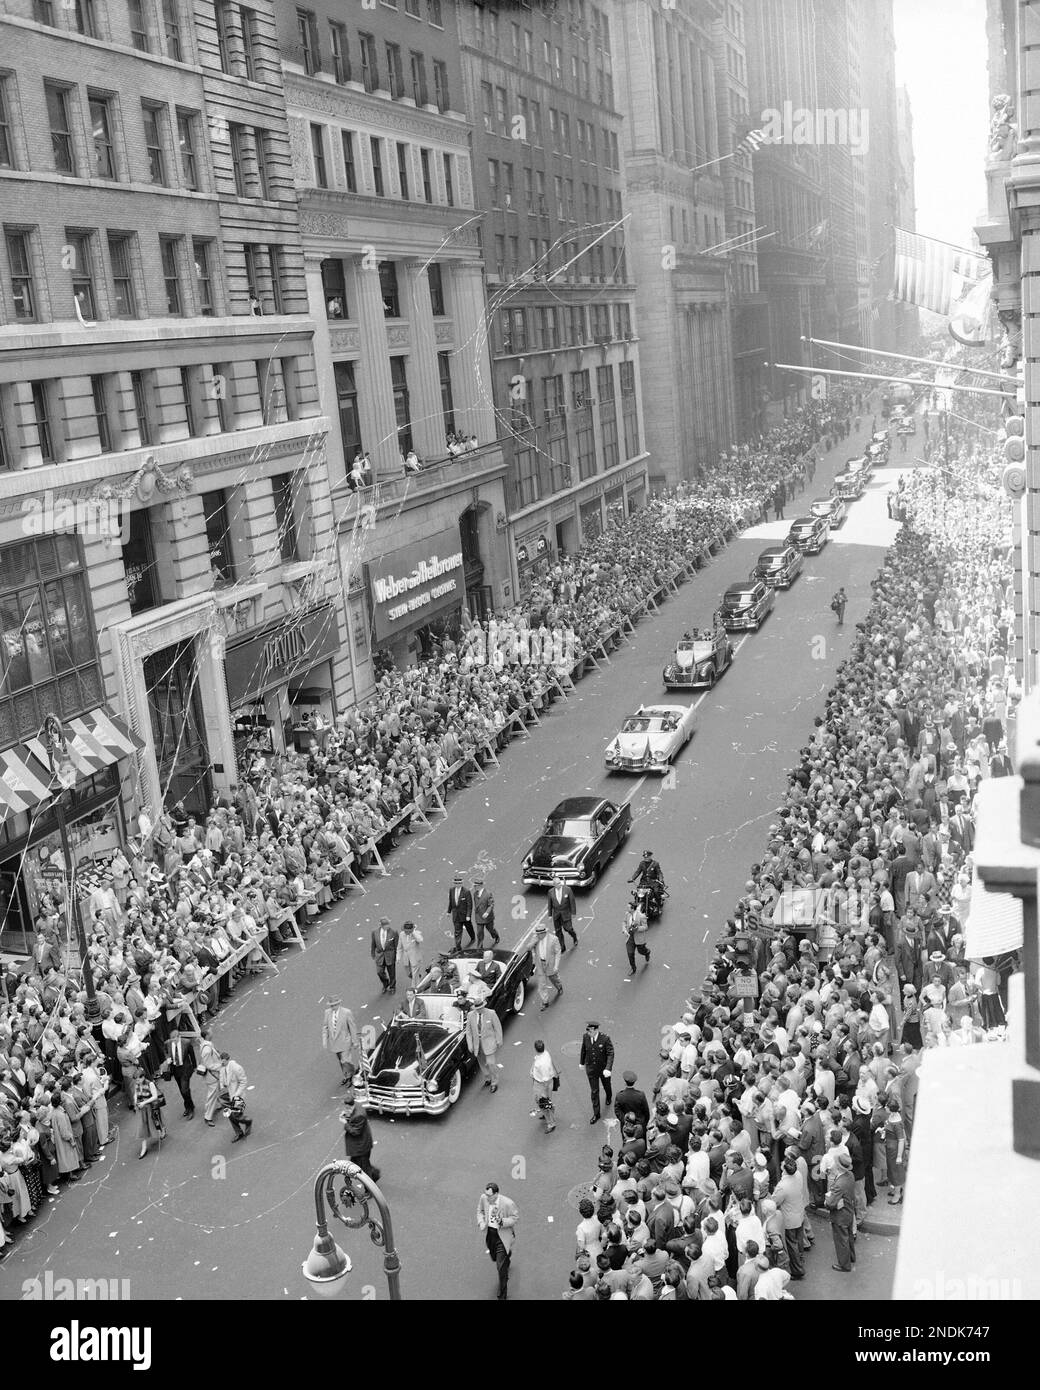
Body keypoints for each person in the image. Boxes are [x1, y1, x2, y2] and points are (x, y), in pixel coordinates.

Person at [476, 1181, 518, 1300]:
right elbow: (480, 1211)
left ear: (496, 1194)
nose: (487, 1197)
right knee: (495, 1257)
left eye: (490, 1195)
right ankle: (507, 1255)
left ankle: (502, 1296)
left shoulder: (508, 1203)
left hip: (502, 1237)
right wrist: (481, 1222)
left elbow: (515, 1218)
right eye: (486, 1194)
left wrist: (502, 1222)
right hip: (491, 1235)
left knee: (501, 1269)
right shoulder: (483, 1198)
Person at [825, 1150, 857, 1271]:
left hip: (840, 1215)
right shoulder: (850, 1175)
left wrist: (826, 1200)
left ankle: (844, 1265)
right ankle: (851, 1257)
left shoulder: (839, 1183)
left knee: (841, 1240)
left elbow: (831, 1203)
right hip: (848, 1211)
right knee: (848, 1236)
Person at [465, 997, 503, 1092]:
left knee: (490, 1063)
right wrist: (470, 1044)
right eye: (477, 1009)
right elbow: (468, 1032)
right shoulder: (470, 1015)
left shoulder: (491, 1013)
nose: (479, 1010)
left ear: (484, 1006)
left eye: (481, 1007)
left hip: (489, 1042)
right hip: (477, 1044)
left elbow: (497, 1028)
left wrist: (499, 1040)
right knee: (482, 1063)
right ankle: (488, 1078)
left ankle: (494, 1082)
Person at [340, 1088, 379, 1180]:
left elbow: (356, 1131)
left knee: (364, 1168)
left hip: (361, 1147)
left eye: (346, 1108)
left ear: (349, 1106)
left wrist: (345, 1122)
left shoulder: (359, 1115)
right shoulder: (356, 1106)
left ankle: (369, 1189)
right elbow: (352, 1118)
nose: (345, 1110)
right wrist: (346, 1115)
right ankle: (374, 1174)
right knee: (356, 1164)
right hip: (358, 1146)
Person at [580, 1020, 614, 1123]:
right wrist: (582, 1062)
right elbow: (583, 1050)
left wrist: (608, 1068)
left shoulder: (605, 1038)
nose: (588, 1033)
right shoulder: (586, 1037)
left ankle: (609, 1096)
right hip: (591, 1069)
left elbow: (610, 1053)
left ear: (596, 1030)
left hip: (603, 1069)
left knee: (606, 1085)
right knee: (594, 1091)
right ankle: (596, 1113)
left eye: (590, 1030)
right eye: (587, 1030)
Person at [322, 997, 361, 1086]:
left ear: (339, 1004)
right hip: (334, 1042)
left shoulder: (347, 1012)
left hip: (345, 1040)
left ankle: (352, 1075)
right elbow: (325, 1027)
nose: (333, 1007)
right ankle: (347, 1075)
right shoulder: (327, 1013)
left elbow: (352, 1027)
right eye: (332, 1005)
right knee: (341, 1060)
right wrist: (324, 1040)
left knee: (345, 1060)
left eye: (335, 1005)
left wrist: (355, 1041)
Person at [218, 1052, 251, 1142]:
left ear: (228, 1059)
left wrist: (237, 1094)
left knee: (236, 1115)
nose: (222, 1063)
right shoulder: (222, 1067)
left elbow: (243, 1082)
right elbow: (221, 1077)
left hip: (237, 1096)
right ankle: (238, 1133)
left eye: (223, 1061)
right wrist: (222, 1086)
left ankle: (248, 1121)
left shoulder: (236, 1068)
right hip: (228, 1095)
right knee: (229, 1114)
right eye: (221, 1061)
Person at [165, 1027, 197, 1119]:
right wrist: (167, 1058)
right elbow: (165, 1050)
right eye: (172, 1040)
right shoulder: (168, 1043)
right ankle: (188, 1106)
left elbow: (192, 1055)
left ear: (179, 1037)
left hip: (185, 1069)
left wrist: (194, 1067)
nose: (173, 1041)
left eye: (175, 1039)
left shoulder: (186, 1043)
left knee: (184, 1090)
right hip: (175, 1069)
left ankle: (190, 1109)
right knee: (182, 1090)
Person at [134, 1069, 165, 1160]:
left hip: (151, 1107)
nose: (137, 1081)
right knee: (143, 1127)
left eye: (138, 1079)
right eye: (136, 1080)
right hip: (142, 1108)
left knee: (157, 1121)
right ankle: (144, 1147)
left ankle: (163, 1130)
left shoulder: (150, 1084)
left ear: (143, 1077)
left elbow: (155, 1096)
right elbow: (135, 1094)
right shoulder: (136, 1084)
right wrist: (135, 1101)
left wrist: (144, 1102)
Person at [531, 923, 563, 1010]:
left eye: (539, 934)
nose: (538, 935)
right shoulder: (535, 939)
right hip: (540, 964)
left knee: (554, 979)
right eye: (537, 934)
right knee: (541, 985)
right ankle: (545, 1002)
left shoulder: (553, 939)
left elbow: (558, 952)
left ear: (544, 933)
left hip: (550, 964)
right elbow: (531, 949)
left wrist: (556, 965)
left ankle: (559, 986)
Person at [197, 1027, 223, 1128]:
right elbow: (209, 1065)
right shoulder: (207, 1049)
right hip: (212, 1076)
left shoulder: (205, 1044)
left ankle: (220, 1104)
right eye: (211, 1032)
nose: (212, 1033)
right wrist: (221, 1066)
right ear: (207, 1035)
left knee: (217, 1091)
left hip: (212, 1075)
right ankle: (208, 1117)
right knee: (212, 1095)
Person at [530, 1039, 557, 1133]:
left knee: (543, 1104)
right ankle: (551, 1109)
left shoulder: (541, 1063)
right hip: (546, 1082)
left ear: (535, 1049)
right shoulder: (545, 1053)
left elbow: (545, 1079)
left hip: (541, 1084)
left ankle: (551, 1123)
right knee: (545, 1102)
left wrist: (543, 1094)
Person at [547, 875, 578, 952]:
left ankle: (574, 937)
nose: (559, 884)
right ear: (554, 884)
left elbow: (572, 902)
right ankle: (562, 946)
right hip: (556, 915)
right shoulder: (550, 892)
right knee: (558, 932)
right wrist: (550, 915)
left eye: (560, 883)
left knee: (568, 929)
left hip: (566, 913)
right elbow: (550, 904)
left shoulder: (568, 890)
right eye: (557, 883)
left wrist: (573, 913)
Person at [623, 893, 650, 977]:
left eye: (628, 907)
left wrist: (637, 928)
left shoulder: (641, 916)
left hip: (638, 937)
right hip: (630, 936)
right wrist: (624, 930)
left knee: (641, 951)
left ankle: (647, 952)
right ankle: (633, 968)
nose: (627, 908)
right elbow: (624, 922)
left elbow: (645, 927)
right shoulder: (627, 914)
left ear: (632, 909)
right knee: (630, 953)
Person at [447, 873, 475, 951]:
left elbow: (469, 905)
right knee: (457, 932)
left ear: (462, 883)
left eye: (459, 883)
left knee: (469, 927)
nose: (457, 884)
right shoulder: (451, 890)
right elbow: (451, 901)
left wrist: (468, 915)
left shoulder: (466, 892)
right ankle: (458, 947)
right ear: (454, 883)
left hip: (465, 915)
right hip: (456, 915)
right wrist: (449, 911)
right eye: (456, 883)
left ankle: (472, 937)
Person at [371, 918, 399, 994]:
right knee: (379, 972)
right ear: (381, 925)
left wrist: (397, 956)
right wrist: (373, 953)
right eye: (385, 925)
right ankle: (385, 983)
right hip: (379, 956)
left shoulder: (394, 932)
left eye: (388, 924)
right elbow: (373, 943)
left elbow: (396, 945)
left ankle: (392, 986)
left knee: (392, 973)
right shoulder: (374, 932)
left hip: (390, 955)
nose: (387, 926)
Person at [472, 876, 500, 948]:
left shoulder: (488, 894)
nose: (475, 887)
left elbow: (491, 905)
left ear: (480, 885)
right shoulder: (475, 894)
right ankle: (480, 948)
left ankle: (496, 936)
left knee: (491, 929)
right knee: (479, 933)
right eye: (475, 886)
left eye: (476, 886)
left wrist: (487, 912)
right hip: (479, 917)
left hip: (488, 918)